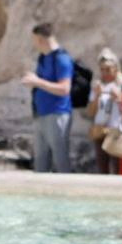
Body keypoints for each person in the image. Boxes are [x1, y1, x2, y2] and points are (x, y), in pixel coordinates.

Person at [21, 23, 75, 174]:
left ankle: (66, 187)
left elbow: (65, 89)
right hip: (41, 114)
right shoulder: (43, 58)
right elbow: (44, 83)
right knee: (40, 161)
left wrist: (37, 82)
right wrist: (34, 83)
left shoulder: (62, 59)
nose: (34, 44)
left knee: (60, 160)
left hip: (57, 114)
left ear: (40, 39)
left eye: (34, 40)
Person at [87, 49, 122, 174]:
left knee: (118, 168)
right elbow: (90, 112)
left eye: (108, 69)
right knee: (102, 168)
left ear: (115, 69)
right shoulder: (97, 86)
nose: (105, 73)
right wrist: (97, 96)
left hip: (116, 131)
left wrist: (120, 99)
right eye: (102, 69)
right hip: (101, 130)